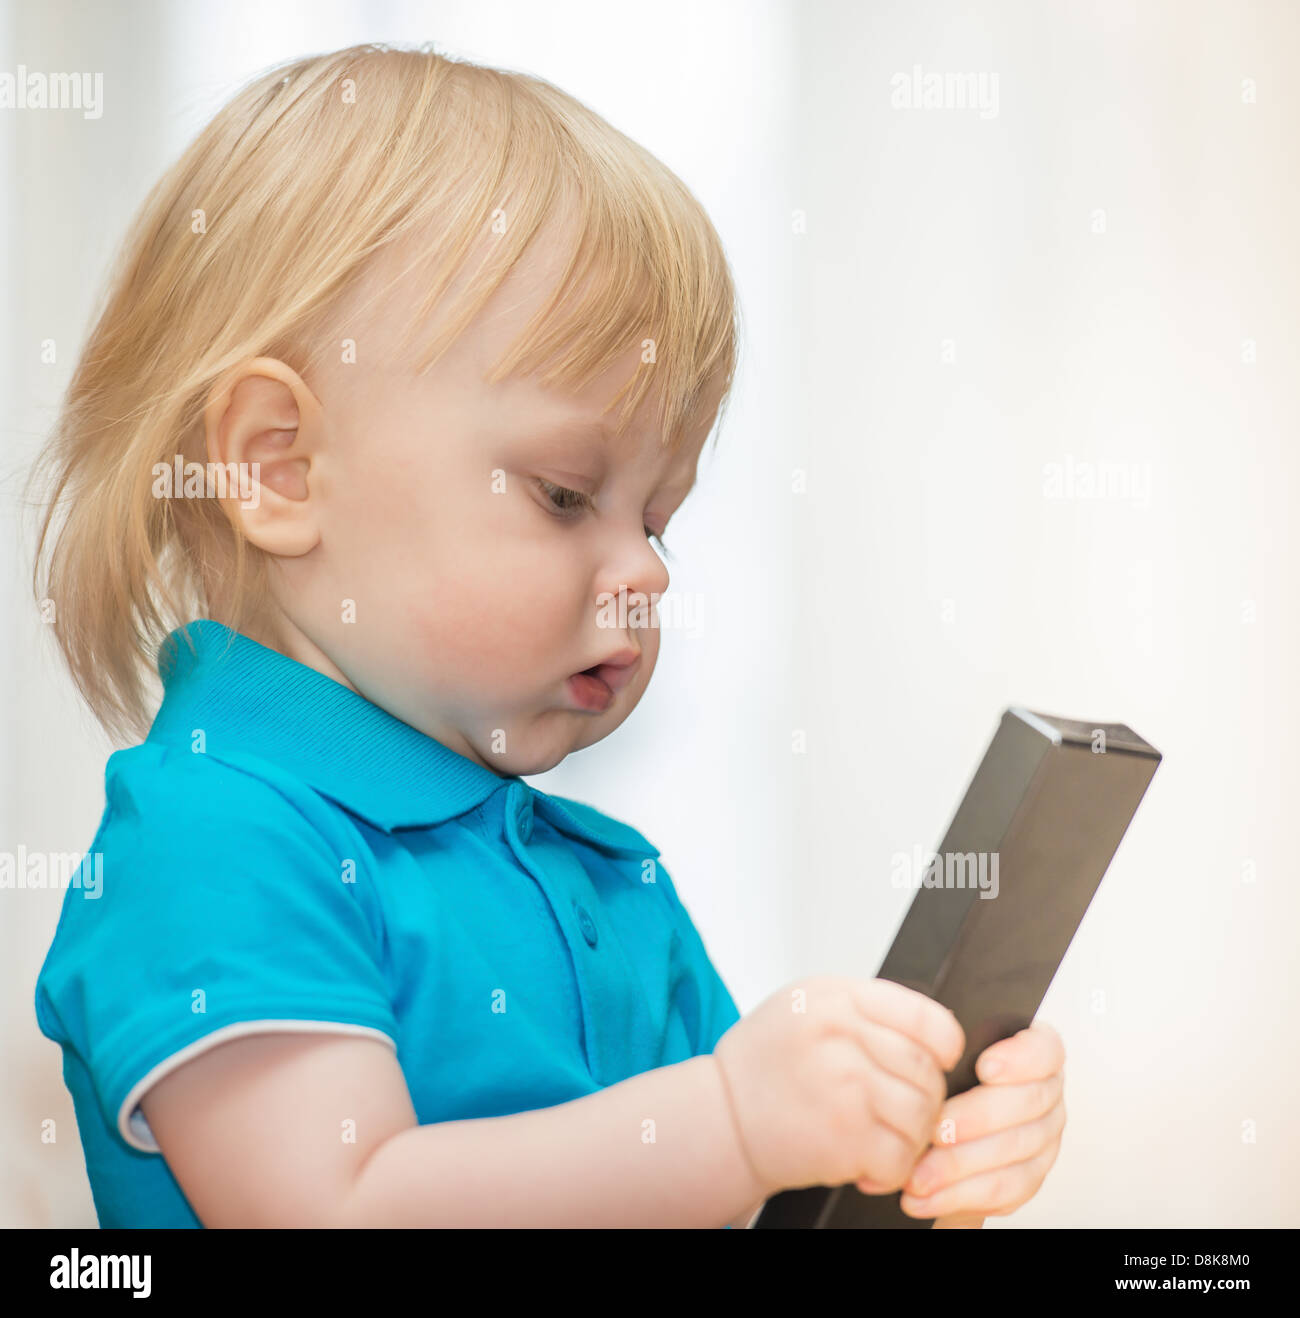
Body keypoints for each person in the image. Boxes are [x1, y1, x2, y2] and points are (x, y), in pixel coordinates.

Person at [30, 43, 1065, 1228]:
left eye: (660, 517)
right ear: (279, 466)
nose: (642, 569)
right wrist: (731, 1122)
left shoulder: (608, 875)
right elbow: (340, 1209)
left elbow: (721, 1190)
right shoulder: (215, 835)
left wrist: (895, 1146)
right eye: (567, 494)